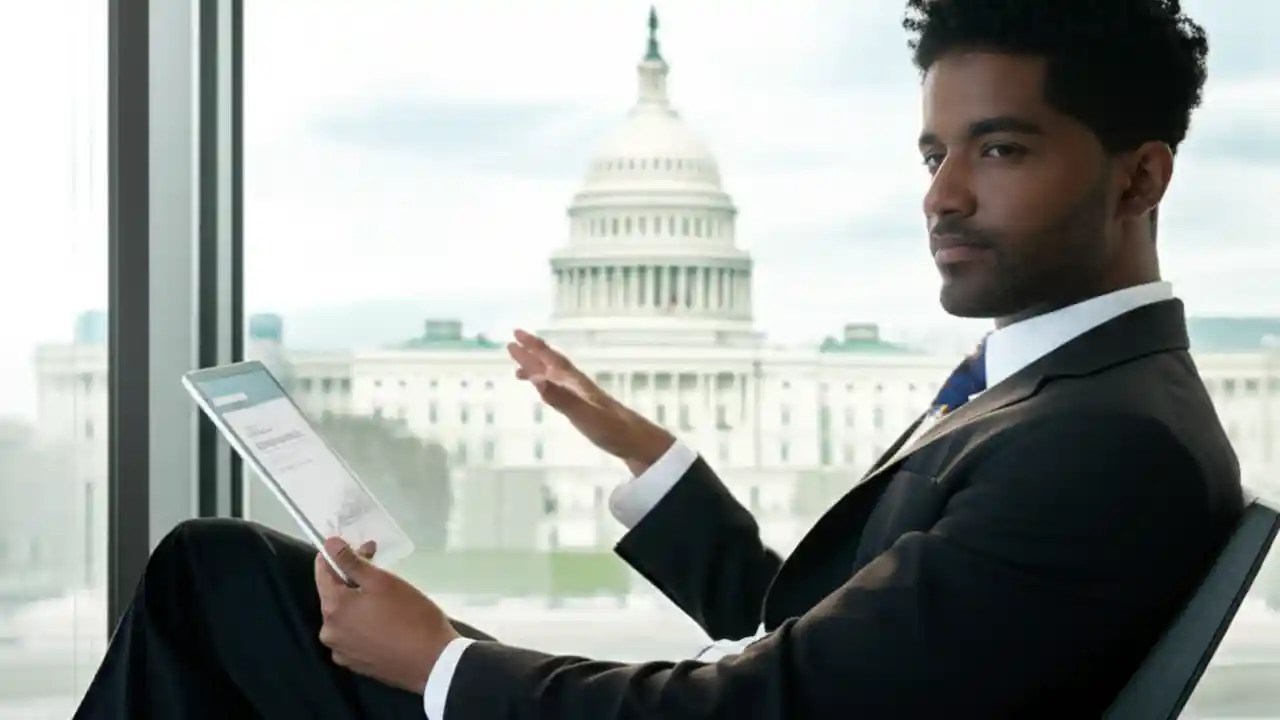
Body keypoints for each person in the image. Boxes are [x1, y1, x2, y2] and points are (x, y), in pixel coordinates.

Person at [75, 0, 1244, 717]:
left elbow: (771, 704)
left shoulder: (1101, 443)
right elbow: (818, 631)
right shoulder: (1066, 394)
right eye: (932, 149)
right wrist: (641, 450)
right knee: (234, 594)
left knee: (214, 580)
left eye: (996, 148)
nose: (938, 194)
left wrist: (442, 666)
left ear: (1138, 176)